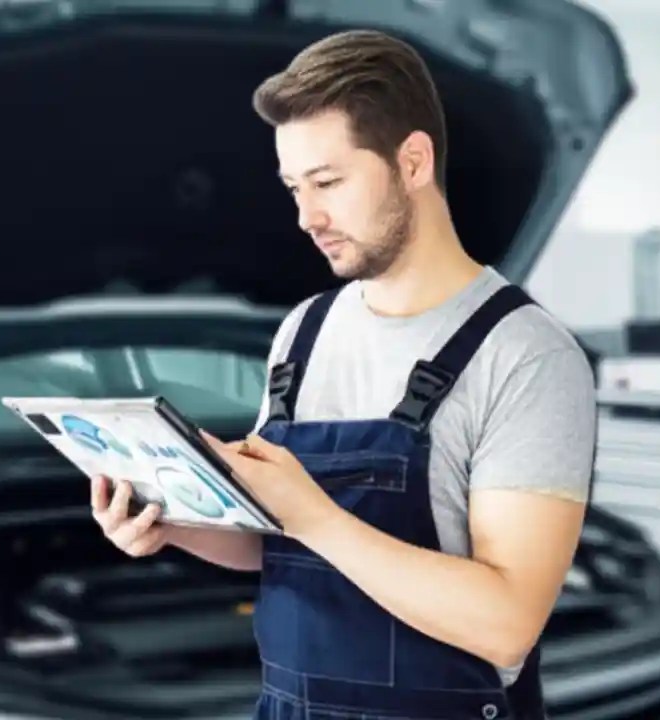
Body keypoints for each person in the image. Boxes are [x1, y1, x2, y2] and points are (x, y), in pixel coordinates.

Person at [90, 28, 596, 720]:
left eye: (328, 182)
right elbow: (276, 541)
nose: (307, 216)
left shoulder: (526, 356)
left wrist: (315, 516)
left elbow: (506, 623)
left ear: (413, 161)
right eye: (295, 187)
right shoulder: (305, 330)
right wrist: (172, 519)